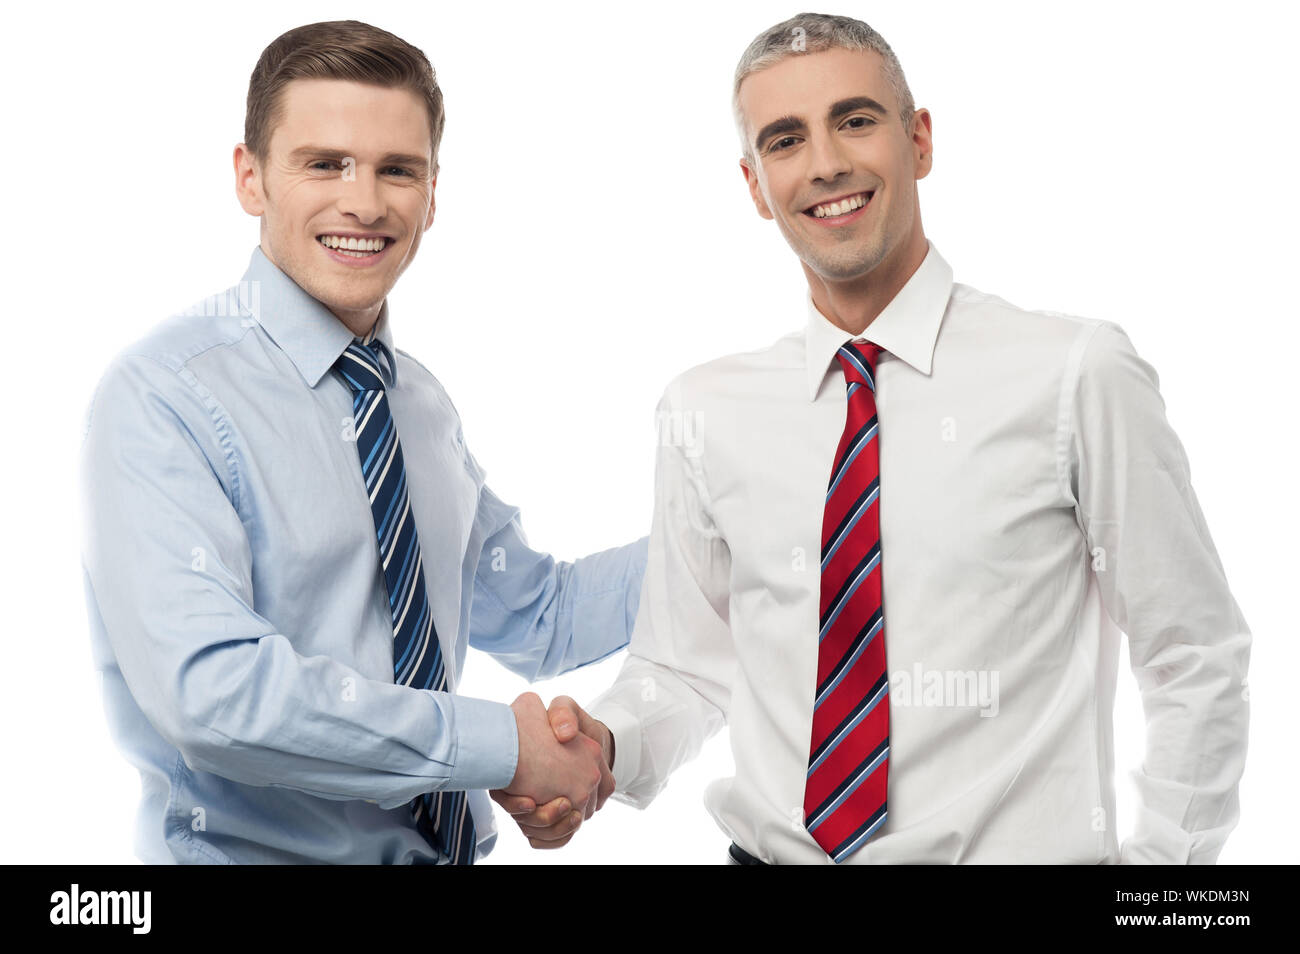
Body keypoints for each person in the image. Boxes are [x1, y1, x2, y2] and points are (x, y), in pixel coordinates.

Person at [496, 12, 1252, 863]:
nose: (825, 164)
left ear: (919, 139)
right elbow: (686, 667)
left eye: (855, 120)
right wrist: (603, 744)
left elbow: (1193, 653)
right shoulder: (706, 409)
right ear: (754, 184)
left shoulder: (1075, 373)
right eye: (785, 140)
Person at [77, 19, 644, 865]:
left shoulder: (414, 401)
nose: (366, 203)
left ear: (433, 193)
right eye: (325, 163)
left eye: (397, 170)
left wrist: (743, 539)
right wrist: (505, 745)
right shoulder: (162, 395)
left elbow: (537, 612)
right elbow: (217, 698)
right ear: (250, 177)